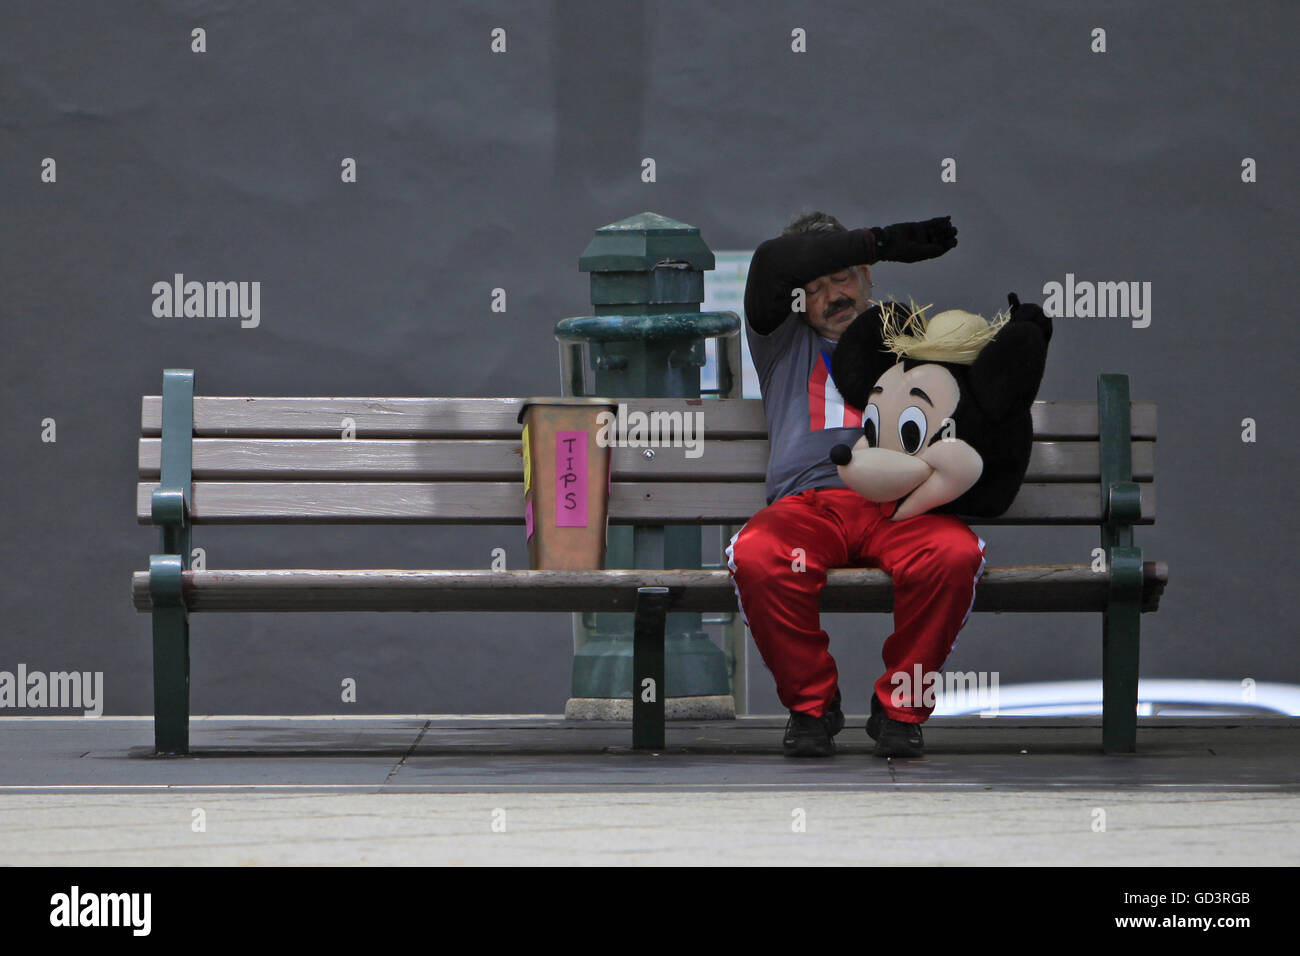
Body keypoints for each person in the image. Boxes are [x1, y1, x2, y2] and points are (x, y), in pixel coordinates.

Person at [726, 211, 986, 758]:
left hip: (899, 506)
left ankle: (901, 709)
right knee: (758, 554)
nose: (832, 295)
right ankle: (812, 707)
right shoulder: (782, 341)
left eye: (843, 276)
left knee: (954, 553)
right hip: (810, 505)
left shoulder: (911, 340)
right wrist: (881, 240)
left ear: (867, 274)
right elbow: (772, 264)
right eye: (814, 288)